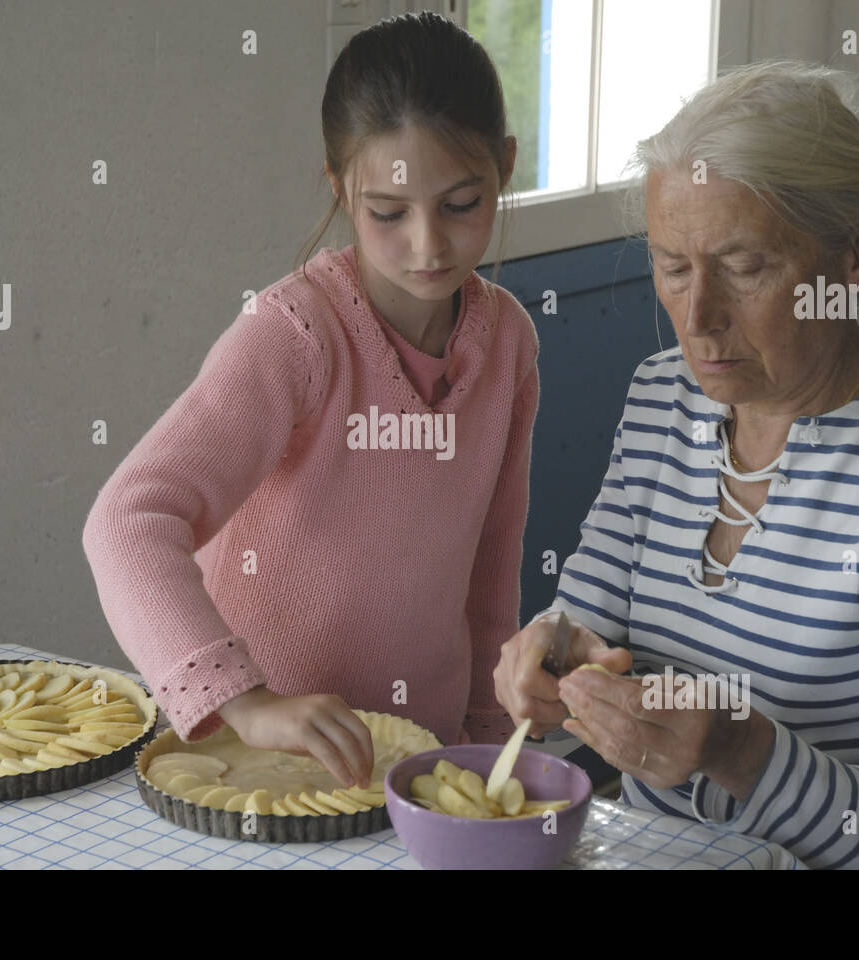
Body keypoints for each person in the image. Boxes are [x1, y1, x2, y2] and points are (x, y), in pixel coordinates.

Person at [493, 60, 859, 868]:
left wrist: (740, 749)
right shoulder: (661, 397)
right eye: (672, 267)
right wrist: (548, 652)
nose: (696, 318)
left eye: (746, 268)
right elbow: (585, 620)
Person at [82, 12, 536, 789]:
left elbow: (493, 571)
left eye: (462, 203)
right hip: (253, 766)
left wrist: (489, 752)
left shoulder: (510, 342)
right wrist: (245, 702)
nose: (428, 245)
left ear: (505, 165)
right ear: (340, 188)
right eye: (387, 213)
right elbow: (125, 521)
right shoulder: (296, 335)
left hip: (417, 765)